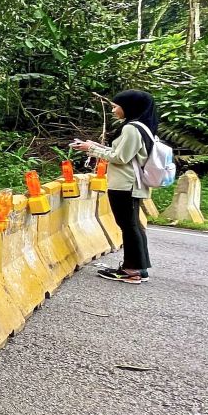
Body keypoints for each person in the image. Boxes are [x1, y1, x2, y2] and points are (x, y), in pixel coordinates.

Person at [72, 90, 156, 284]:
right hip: (132, 183)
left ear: (129, 107)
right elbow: (124, 153)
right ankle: (139, 268)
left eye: (116, 106)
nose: (113, 110)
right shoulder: (142, 126)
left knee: (129, 226)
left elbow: (120, 158)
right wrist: (96, 146)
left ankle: (131, 270)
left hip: (125, 185)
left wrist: (91, 149)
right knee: (133, 225)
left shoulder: (131, 129)